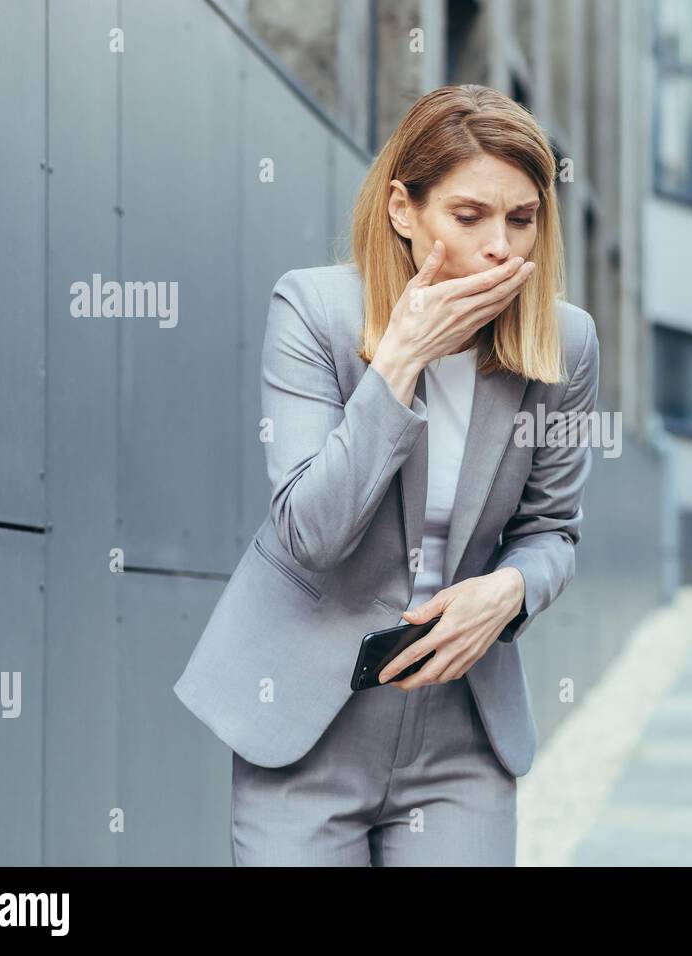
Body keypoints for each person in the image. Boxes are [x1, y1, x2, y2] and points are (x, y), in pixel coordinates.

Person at [173, 83, 600, 866]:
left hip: (461, 733)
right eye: (469, 216)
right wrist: (399, 361)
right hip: (305, 724)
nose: (502, 248)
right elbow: (308, 533)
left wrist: (510, 592)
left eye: (522, 219)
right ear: (405, 211)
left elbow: (552, 531)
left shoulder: (564, 345)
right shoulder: (314, 311)